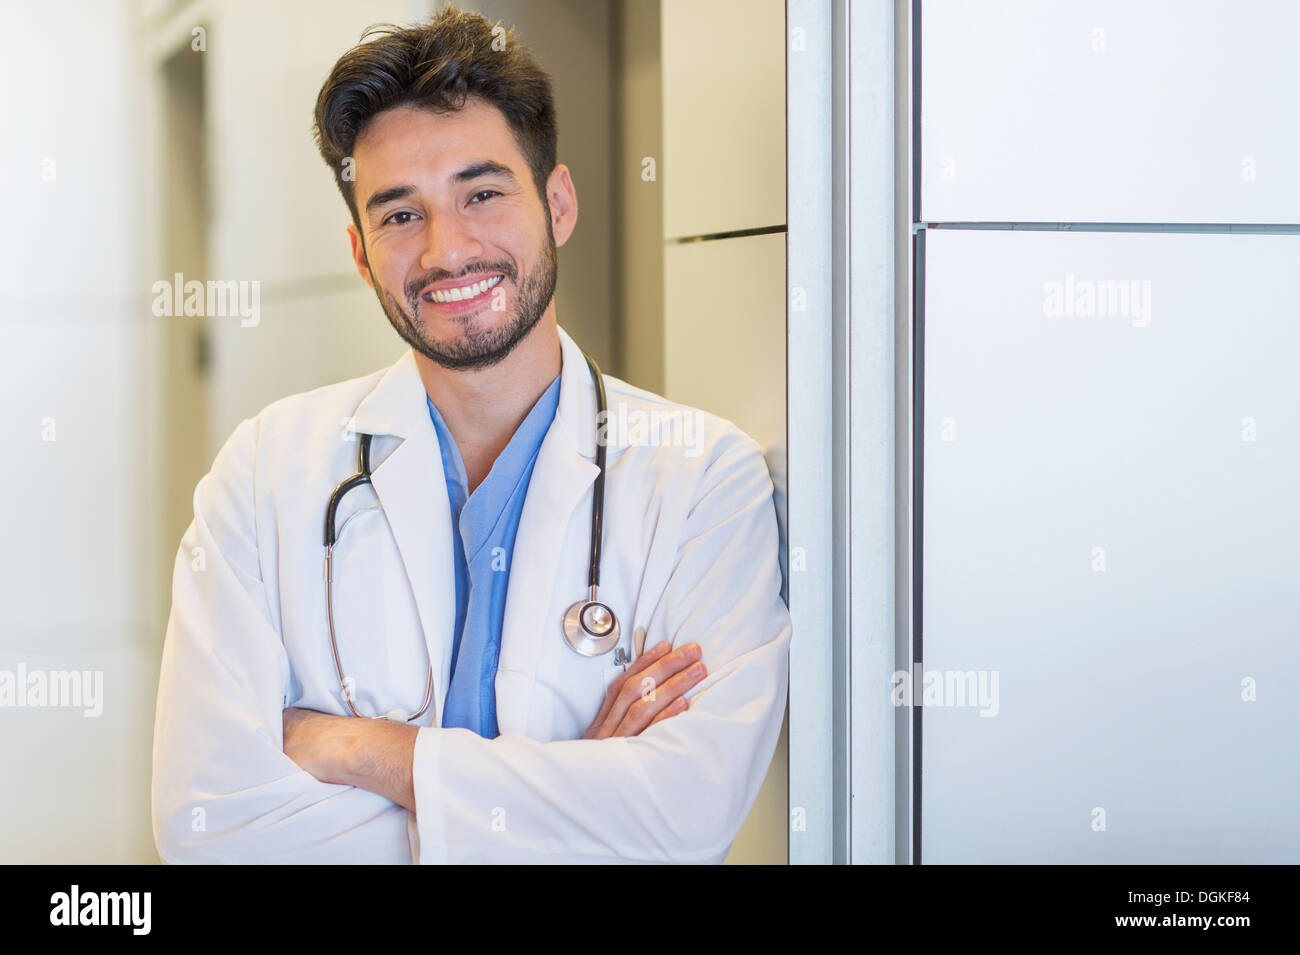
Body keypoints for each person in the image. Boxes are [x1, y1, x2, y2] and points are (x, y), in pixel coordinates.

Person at [151, 3, 791, 864]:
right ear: (360, 251)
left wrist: (363, 752)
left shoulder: (705, 480)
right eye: (400, 215)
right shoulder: (265, 471)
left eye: (482, 193)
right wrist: (572, 792)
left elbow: (685, 814)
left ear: (557, 203)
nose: (448, 250)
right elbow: (210, 825)